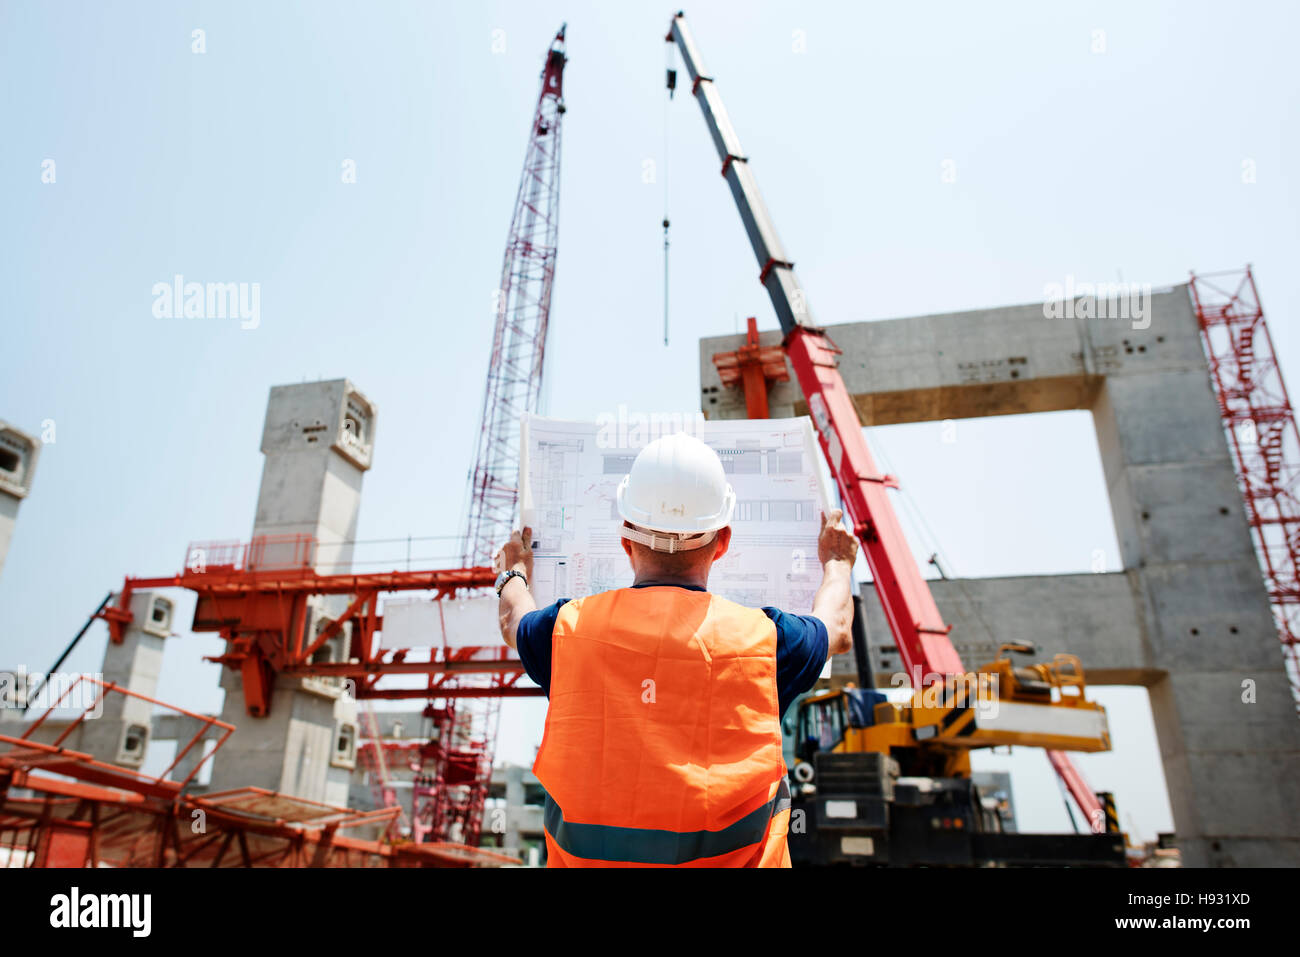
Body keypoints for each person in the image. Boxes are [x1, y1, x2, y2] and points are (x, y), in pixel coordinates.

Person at [494, 430, 858, 867]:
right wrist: (838, 562)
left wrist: (513, 572)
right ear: (721, 543)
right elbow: (837, 627)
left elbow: (514, 621)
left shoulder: (566, 630)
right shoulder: (766, 641)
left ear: (626, 539)